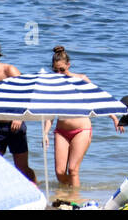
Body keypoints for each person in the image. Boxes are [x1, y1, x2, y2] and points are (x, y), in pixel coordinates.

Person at [48, 46, 116, 189]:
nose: (59, 73)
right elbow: (50, 112)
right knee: (60, 172)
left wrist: (114, 117)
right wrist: (45, 133)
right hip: (61, 132)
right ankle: (68, 193)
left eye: (62, 70)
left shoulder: (81, 79)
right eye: (55, 70)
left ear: (68, 65)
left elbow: (98, 98)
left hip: (81, 130)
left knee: (73, 169)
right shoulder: (53, 85)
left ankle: (75, 200)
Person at [0, 40, 35, 182]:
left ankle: (37, 191)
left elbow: (26, 94)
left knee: (21, 167)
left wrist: (19, 117)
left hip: (15, 126)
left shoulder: (10, 71)